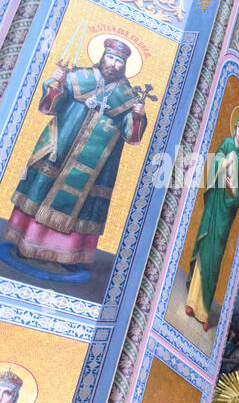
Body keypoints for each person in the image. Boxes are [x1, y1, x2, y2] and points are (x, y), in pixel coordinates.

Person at [4, 37, 147, 270]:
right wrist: (57, 82)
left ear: (125, 66)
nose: (113, 64)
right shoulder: (76, 78)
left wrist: (138, 115)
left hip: (98, 168)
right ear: (102, 57)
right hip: (59, 151)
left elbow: (131, 136)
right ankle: (27, 242)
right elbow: (50, 107)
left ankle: (68, 255)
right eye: (110, 58)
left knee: (85, 203)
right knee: (44, 190)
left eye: (119, 61)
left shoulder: (129, 97)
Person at [184, 117, 239, 332]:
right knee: (203, 253)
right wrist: (223, 165)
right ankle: (192, 303)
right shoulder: (228, 145)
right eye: (237, 128)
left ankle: (204, 311)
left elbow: (237, 199)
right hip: (213, 209)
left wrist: (233, 189)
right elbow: (214, 169)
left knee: (214, 261)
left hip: (224, 219)